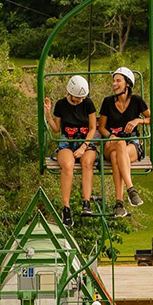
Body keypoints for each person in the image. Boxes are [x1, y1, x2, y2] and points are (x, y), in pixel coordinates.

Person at [44, 75, 99, 227]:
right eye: (77, 98)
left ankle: (86, 202)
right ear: (70, 93)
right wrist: (48, 115)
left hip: (85, 141)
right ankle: (66, 207)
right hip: (67, 141)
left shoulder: (88, 103)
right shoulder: (61, 105)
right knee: (68, 166)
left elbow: (93, 128)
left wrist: (83, 147)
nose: (80, 101)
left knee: (87, 163)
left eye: (82, 98)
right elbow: (56, 129)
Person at [98, 67, 151, 218]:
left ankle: (119, 203)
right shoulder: (108, 102)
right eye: (114, 81)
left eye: (118, 80)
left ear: (127, 84)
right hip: (111, 143)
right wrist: (110, 136)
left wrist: (137, 120)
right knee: (119, 144)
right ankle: (131, 189)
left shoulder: (136, 101)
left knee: (117, 156)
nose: (114, 84)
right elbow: (101, 127)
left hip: (131, 144)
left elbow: (150, 118)